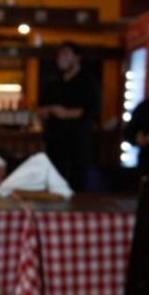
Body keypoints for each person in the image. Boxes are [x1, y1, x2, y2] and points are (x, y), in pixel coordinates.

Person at [37, 41, 97, 189]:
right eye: (59, 55)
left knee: (77, 186)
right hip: (54, 144)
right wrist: (50, 110)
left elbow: (90, 111)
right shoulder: (53, 82)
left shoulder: (87, 82)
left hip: (78, 145)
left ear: (77, 57)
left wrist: (65, 113)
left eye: (65, 54)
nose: (61, 58)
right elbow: (39, 110)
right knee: (54, 185)